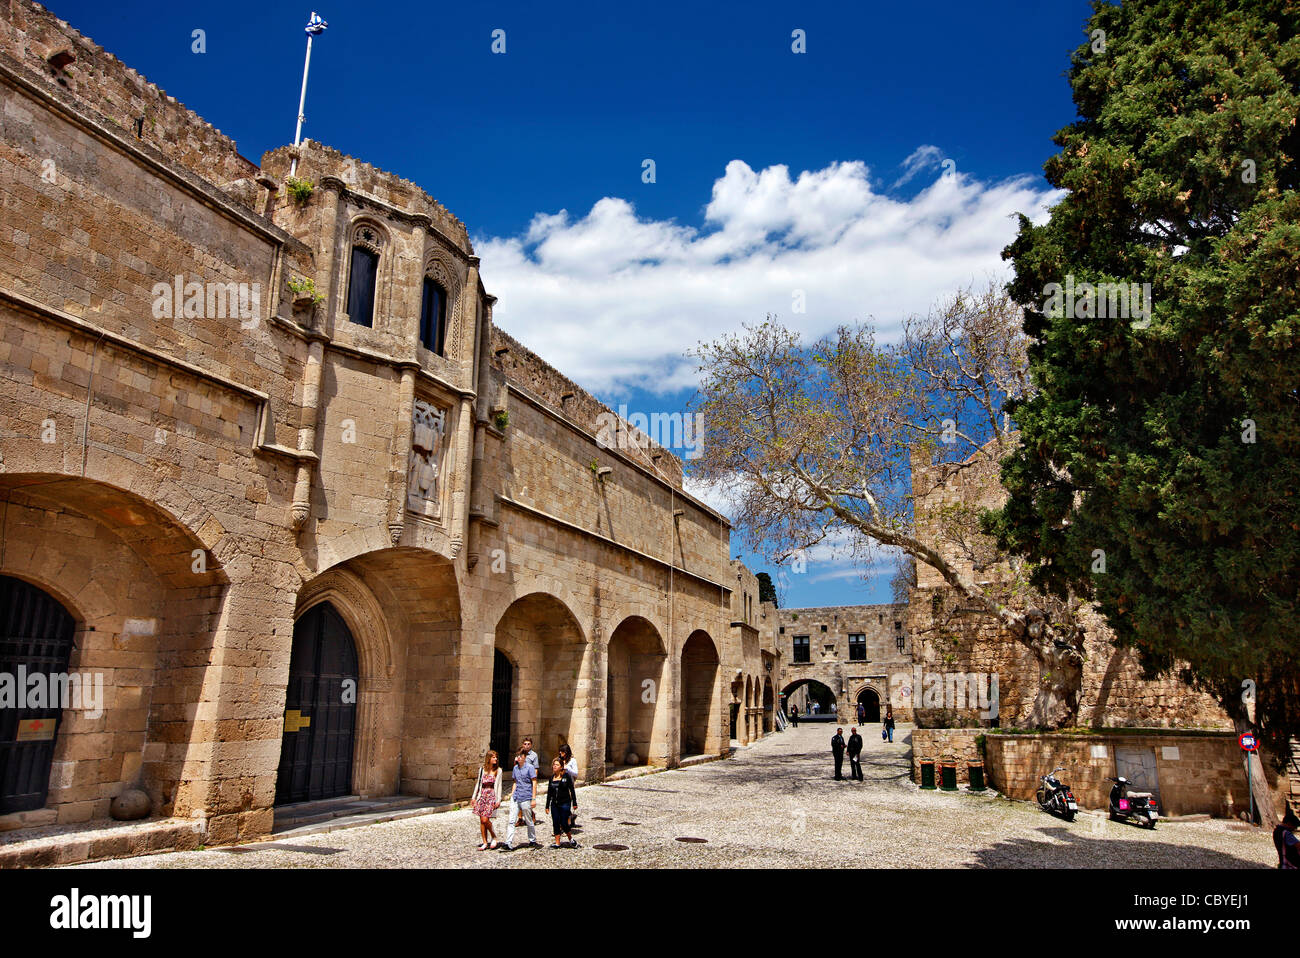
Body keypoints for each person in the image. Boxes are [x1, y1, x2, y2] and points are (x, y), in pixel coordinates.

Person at [503, 747, 538, 850]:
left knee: (528, 820)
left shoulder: (530, 767)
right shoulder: (515, 768)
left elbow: (534, 782)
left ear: (524, 757)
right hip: (516, 796)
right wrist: (512, 794)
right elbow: (515, 782)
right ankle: (508, 842)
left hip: (526, 796)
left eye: (520, 756)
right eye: (517, 756)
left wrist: (533, 798)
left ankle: (532, 840)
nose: (518, 758)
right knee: (511, 820)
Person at [470, 749, 503, 850]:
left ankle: (494, 836)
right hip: (482, 796)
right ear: (488, 758)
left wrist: (498, 800)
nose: (495, 759)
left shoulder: (498, 771)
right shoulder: (482, 770)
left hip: (491, 796)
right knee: (482, 821)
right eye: (493, 757)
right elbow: (478, 784)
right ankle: (484, 842)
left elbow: (499, 785)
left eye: (496, 757)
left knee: (485, 819)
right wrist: (473, 797)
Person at [544, 757, 580, 848]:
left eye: (557, 765)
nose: (554, 766)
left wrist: (574, 803)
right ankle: (557, 842)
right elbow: (549, 793)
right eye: (554, 765)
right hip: (554, 804)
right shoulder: (552, 778)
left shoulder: (566, 776)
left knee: (564, 823)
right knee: (555, 822)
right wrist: (547, 805)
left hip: (565, 803)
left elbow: (572, 790)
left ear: (561, 767)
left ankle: (571, 839)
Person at [516, 737, 540, 826]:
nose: (526, 746)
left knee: (527, 800)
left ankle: (531, 814)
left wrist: (533, 779)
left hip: (529, 780)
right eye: (525, 744)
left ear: (531, 745)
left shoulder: (534, 755)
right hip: (520, 780)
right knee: (519, 800)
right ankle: (520, 818)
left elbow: (536, 768)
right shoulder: (519, 754)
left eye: (528, 744)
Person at [558, 743, 580, 829]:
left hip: (568, 785)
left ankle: (565, 826)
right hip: (560, 785)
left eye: (562, 751)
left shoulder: (572, 761)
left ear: (566, 752)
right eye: (560, 751)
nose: (560, 753)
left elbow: (576, 773)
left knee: (565, 805)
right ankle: (570, 818)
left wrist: (568, 769)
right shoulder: (559, 760)